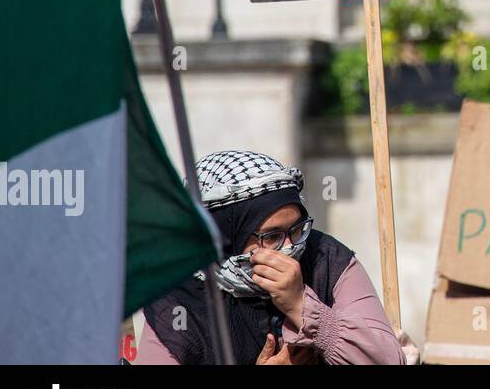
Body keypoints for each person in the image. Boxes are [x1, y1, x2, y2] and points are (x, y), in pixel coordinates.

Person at [137, 151, 404, 365]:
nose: (290, 247)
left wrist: (301, 306)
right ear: (225, 241)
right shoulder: (179, 296)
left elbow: (389, 360)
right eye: (272, 236)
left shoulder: (326, 259)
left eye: (297, 229)